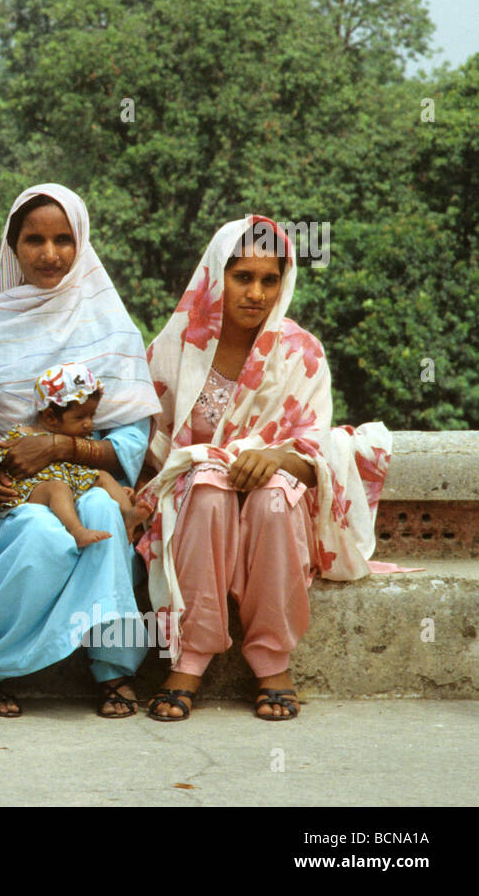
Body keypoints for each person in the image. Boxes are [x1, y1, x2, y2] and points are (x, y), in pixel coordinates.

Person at [137, 217, 391, 721]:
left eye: (269, 280)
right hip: (194, 502)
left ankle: (272, 660)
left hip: (277, 497)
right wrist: (200, 470)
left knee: (275, 499)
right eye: (242, 277)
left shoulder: (302, 353)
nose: (256, 293)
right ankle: (190, 657)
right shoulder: (174, 347)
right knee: (207, 490)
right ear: (216, 275)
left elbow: (319, 451)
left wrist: (273, 457)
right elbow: (153, 447)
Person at [0, 183, 161, 719]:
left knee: (99, 514)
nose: (49, 254)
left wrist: (61, 445)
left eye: (64, 239)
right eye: (34, 240)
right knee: (41, 533)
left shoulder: (110, 326)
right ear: (12, 246)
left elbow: (131, 445)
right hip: (7, 502)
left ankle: (115, 672)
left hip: (88, 481)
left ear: (82, 242)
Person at [0, 363, 146, 546]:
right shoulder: (25, 435)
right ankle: (77, 531)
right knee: (57, 488)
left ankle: (127, 515)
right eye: (80, 417)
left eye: (91, 416)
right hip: (33, 488)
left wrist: (119, 492)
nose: (89, 424)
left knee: (102, 476)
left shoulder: (77, 438)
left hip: (72, 483)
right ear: (51, 416)